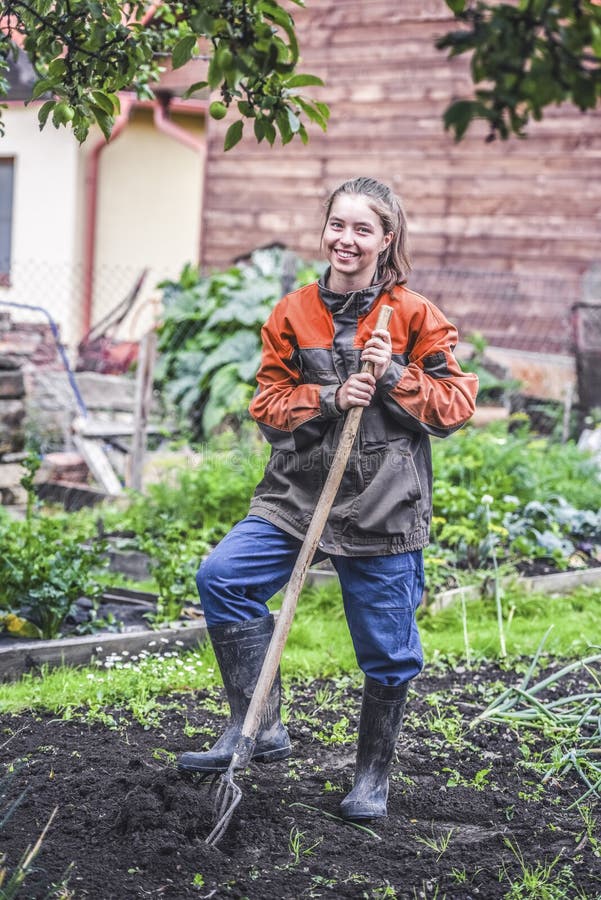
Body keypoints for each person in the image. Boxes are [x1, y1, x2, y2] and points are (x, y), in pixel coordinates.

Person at [178, 176, 479, 820]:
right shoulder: (293, 313)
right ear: (325, 231)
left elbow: (454, 407)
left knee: (387, 648)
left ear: (385, 238)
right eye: (337, 225)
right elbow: (266, 408)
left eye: (362, 229)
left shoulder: (415, 316)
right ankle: (255, 726)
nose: (346, 239)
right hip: (298, 493)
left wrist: (393, 371)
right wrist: (328, 396)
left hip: (380, 504)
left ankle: (372, 774)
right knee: (223, 577)